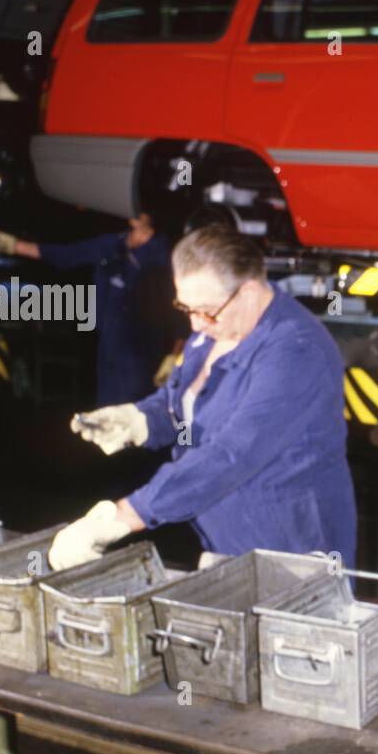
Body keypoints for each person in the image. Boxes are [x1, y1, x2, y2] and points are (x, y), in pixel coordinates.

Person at [47, 223, 357, 572]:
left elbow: (230, 455)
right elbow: (184, 407)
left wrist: (121, 516)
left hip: (289, 548)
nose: (195, 325)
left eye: (206, 310)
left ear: (250, 292)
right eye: (186, 308)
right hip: (227, 538)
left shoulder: (297, 351)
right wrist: (142, 418)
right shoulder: (212, 331)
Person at [0, 214, 179, 406]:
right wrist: (14, 246)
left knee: (136, 414)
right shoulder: (113, 243)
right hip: (108, 347)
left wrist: (175, 355)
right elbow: (67, 255)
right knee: (106, 413)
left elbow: (181, 312)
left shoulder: (163, 253)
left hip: (141, 353)